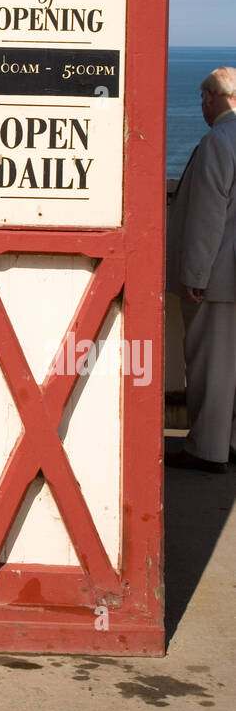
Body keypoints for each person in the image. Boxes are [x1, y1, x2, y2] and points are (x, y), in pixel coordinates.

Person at [165, 66, 236, 472]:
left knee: (209, 365)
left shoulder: (217, 141)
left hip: (217, 277)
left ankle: (206, 448)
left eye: (202, 98)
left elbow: (209, 215)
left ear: (211, 98)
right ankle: (229, 440)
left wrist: (194, 275)